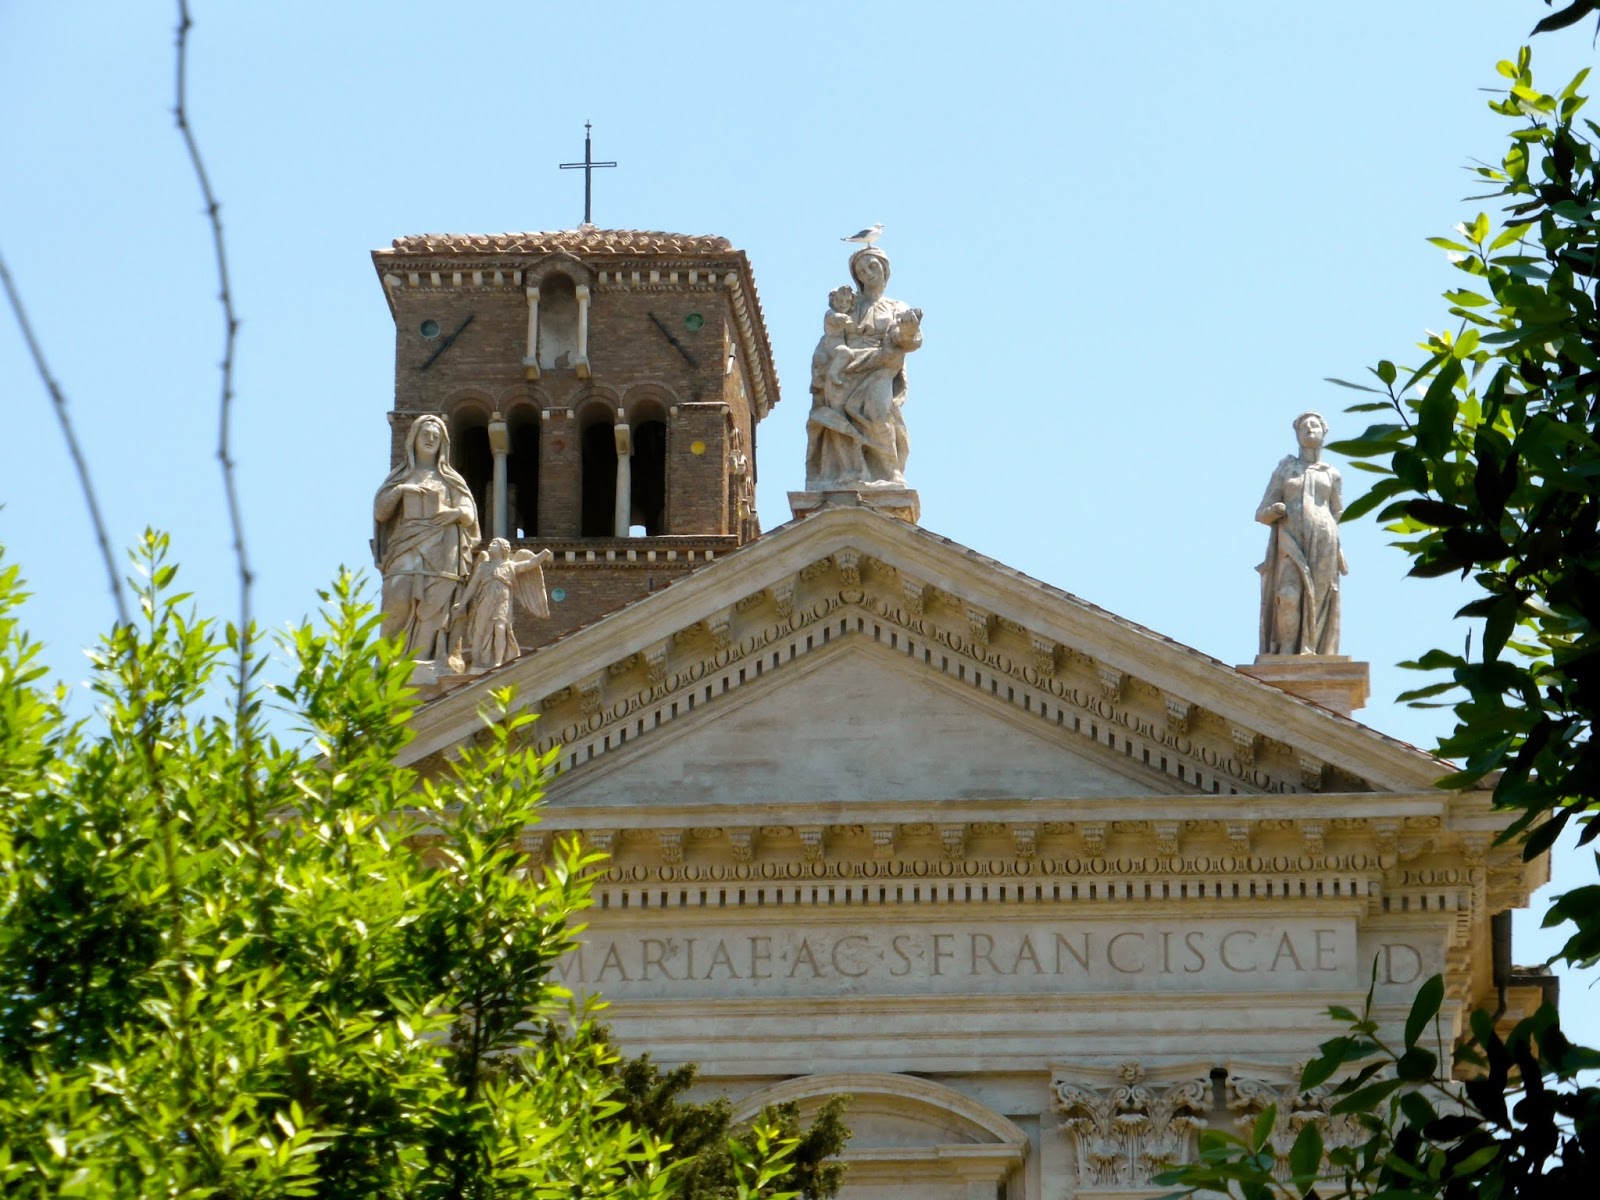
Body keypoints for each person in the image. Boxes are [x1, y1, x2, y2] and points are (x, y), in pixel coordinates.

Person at [804, 246, 923, 490]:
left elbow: (906, 339)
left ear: (884, 268)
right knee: (838, 420)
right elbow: (832, 333)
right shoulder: (849, 304)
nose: (867, 273)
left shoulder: (896, 307)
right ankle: (851, 470)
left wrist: (909, 330)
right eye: (861, 270)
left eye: (872, 266)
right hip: (845, 366)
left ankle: (889, 472)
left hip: (880, 364)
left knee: (878, 412)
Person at [373, 414, 481, 661]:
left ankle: (428, 659)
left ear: (443, 442)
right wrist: (401, 491)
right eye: (426, 435)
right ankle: (387, 663)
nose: (431, 440)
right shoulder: (400, 477)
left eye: (436, 436)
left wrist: (452, 512)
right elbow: (381, 512)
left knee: (435, 606)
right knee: (398, 598)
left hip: (442, 550)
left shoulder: (450, 479)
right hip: (405, 546)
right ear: (414, 439)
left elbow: (469, 513)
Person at [1256, 411, 1347, 655]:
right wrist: (1274, 511)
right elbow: (1261, 513)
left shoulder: (1331, 474)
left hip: (1324, 541)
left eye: (1314, 425)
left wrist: (1336, 546)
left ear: (1324, 431)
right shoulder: (1285, 470)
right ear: (1297, 435)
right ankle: (1286, 648)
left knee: (1317, 599)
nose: (1309, 429)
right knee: (1287, 594)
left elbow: (1338, 512)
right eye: (1304, 426)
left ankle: (1313, 649)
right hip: (1290, 541)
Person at [451, 538, 553, 671]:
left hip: (502, 602)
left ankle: (498, 662)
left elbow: (530, 563)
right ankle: (477, 662)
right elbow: (472, 586)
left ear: (503, 548)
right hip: (485, 600)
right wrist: (462, 603)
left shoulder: (510, 565)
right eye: (491, 542)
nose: (490, 545)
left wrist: (544, 553)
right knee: (479, 630)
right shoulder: (484, 566)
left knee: (500, 629)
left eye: (495, 544)